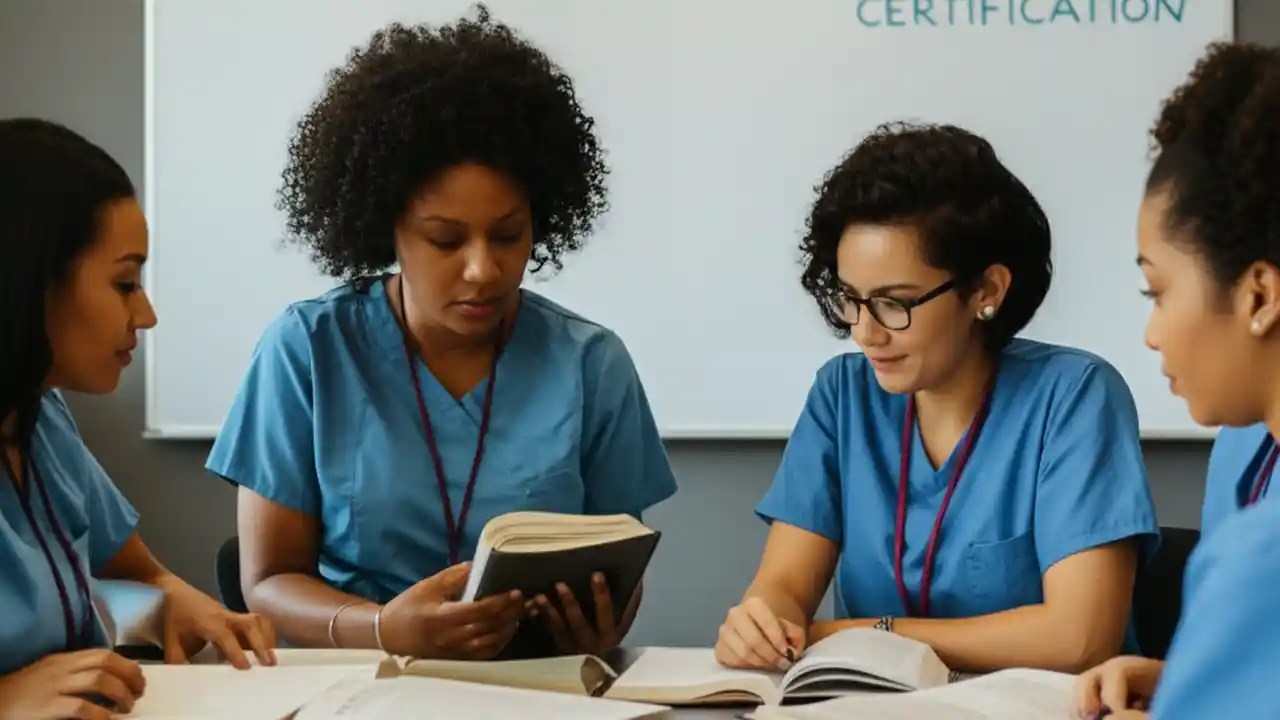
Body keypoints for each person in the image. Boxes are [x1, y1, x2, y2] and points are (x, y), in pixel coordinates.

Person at [206, 7, 677, 661]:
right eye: (445, 239)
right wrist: (382, 628)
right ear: (385, 227)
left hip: (540, 687)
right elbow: (266, 581)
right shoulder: (307, 351)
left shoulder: (591, 365)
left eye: (509, 235)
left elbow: (620, 580)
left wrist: (598, 629)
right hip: (361, 678)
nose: (484, 269)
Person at [715, 122, 1160, 675]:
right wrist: (762, 624)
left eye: (895, 303)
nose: (865, 332)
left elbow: (1079, 638)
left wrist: (869, 633)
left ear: (986, 291)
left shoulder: (1074, 396)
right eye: (849, 299)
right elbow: (782, 587)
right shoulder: (841, 396)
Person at [0, 118, 276, 720]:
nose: (145, 314)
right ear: (29, 281)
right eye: (124, 283)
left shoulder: (42, 419)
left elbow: (137, 579)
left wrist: (175, 607)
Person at [1075, 42, 1280, 720]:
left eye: (1155, 291)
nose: (1152, 332)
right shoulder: (1245, 451)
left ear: (1258, 297)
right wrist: (1190, 676)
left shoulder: (1262, 556)